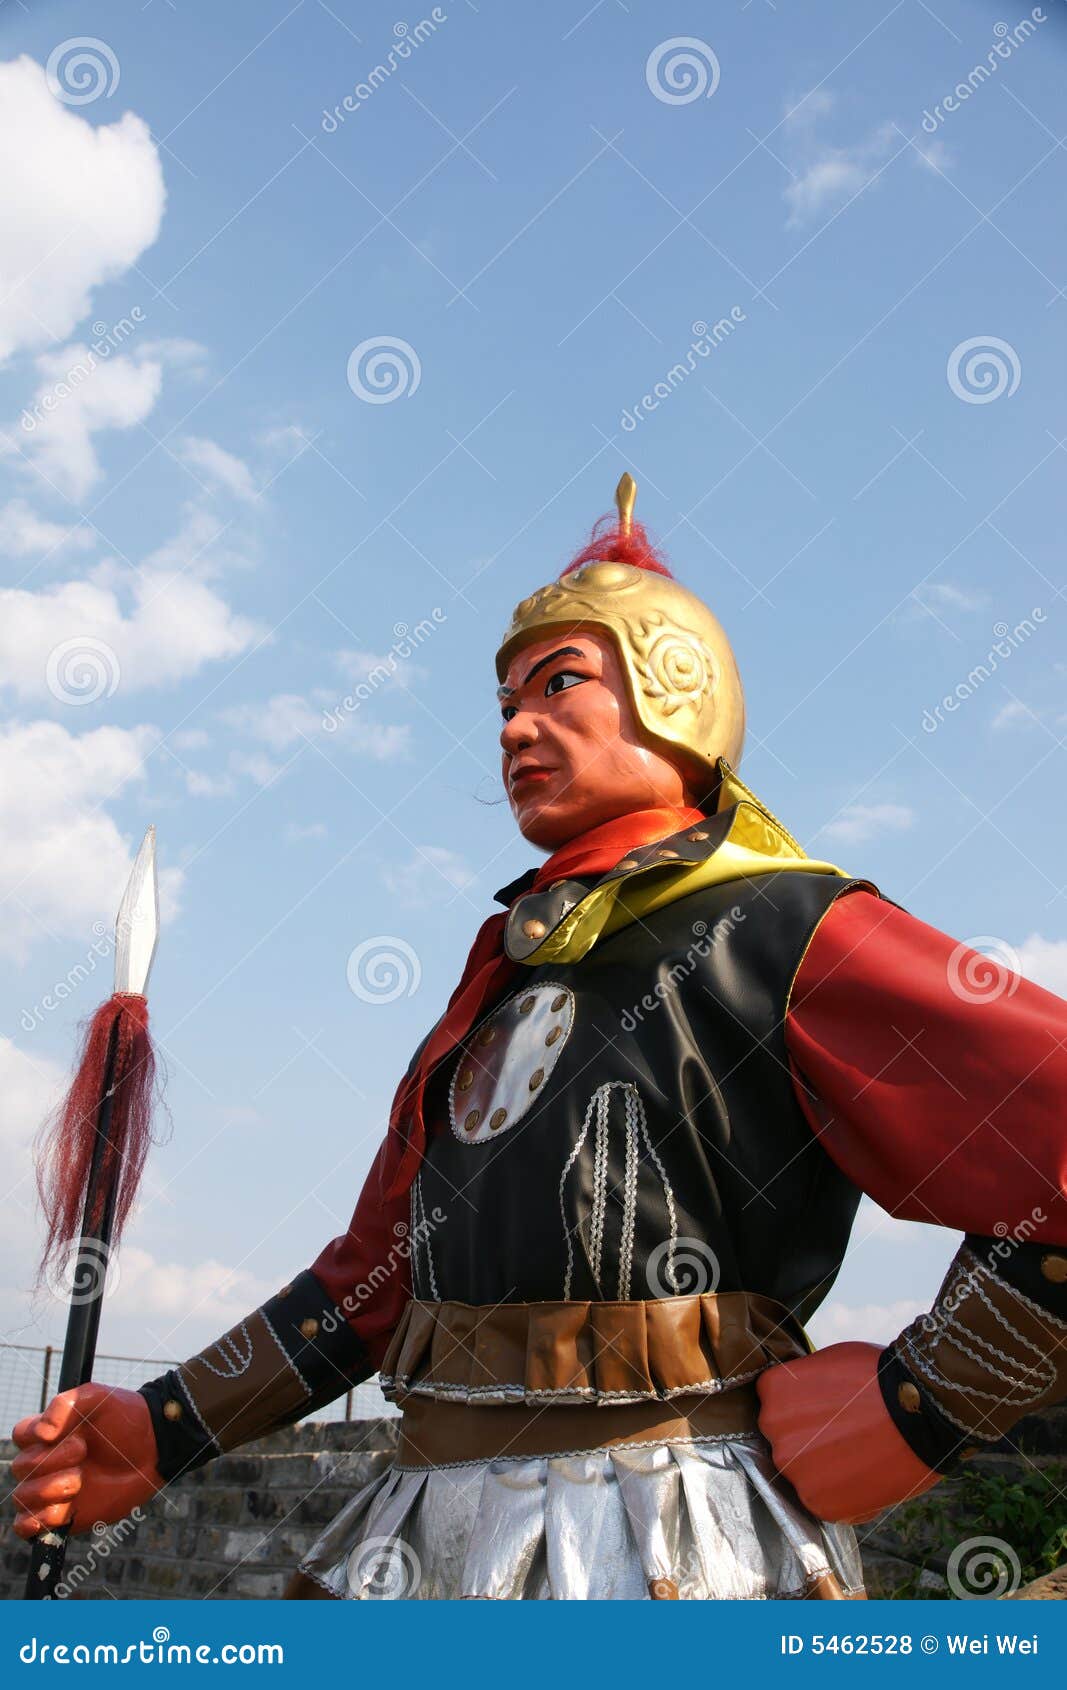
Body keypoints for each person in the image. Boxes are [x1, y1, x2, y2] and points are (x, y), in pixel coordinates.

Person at [11, 478, 1067, 1601]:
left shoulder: (787, 925)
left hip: (674, 1526)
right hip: (417, 1522)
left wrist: (930, 1399)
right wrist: (160, 1426)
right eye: (505, 701)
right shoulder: (492, 981)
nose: (515, 725)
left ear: (674, 690)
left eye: (560, 684)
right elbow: (375, 1283)